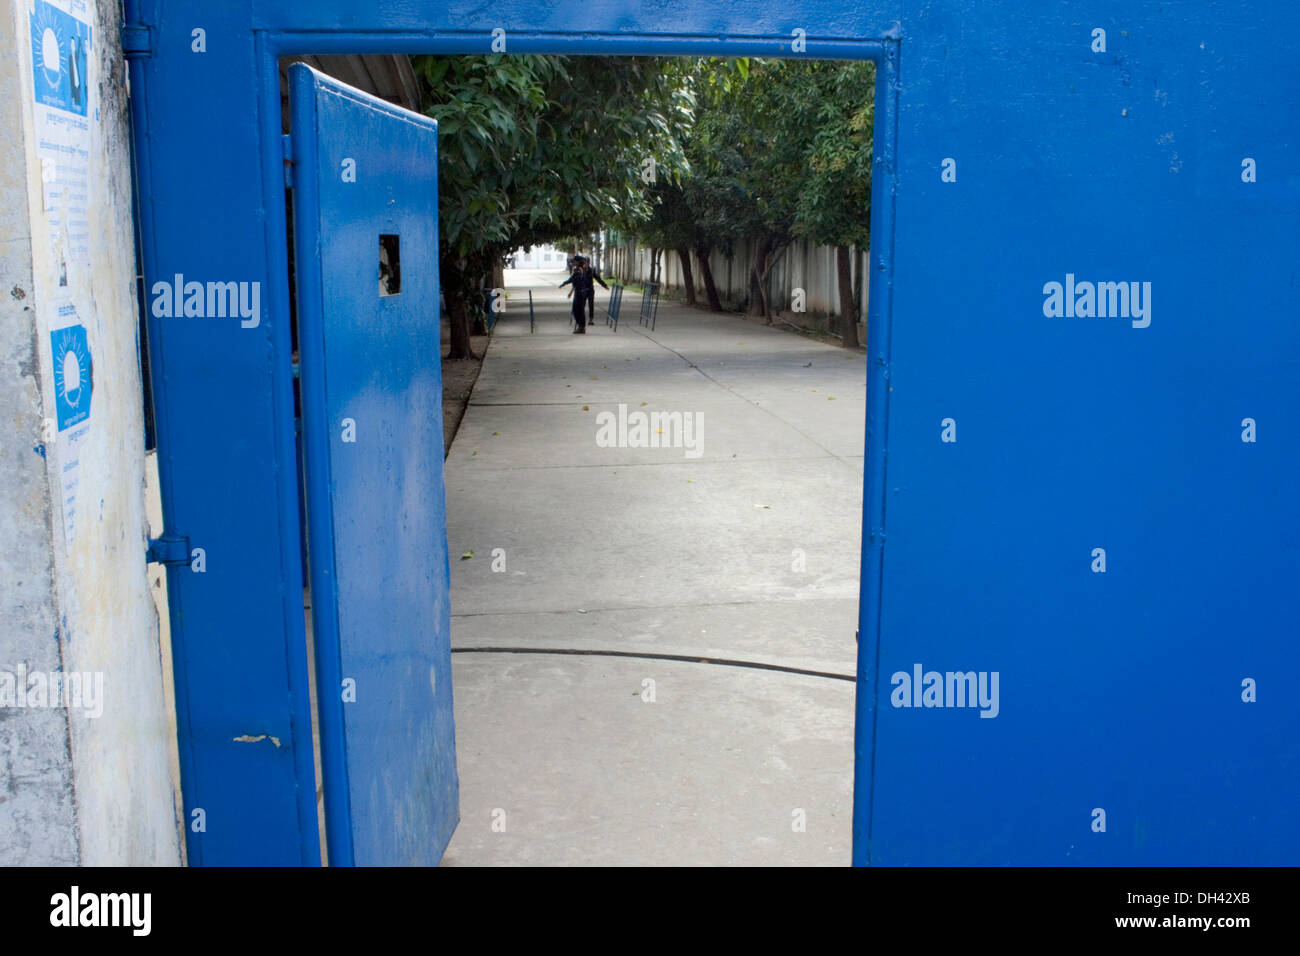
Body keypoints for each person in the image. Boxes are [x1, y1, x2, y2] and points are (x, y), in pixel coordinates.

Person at [558, 255, 608, 334]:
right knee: (578, 310)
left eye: (574, 261)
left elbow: (574, 279)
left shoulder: (582, 270)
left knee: (582, 309)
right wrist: (568, 288)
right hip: (580, 292)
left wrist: (604, 285)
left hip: (583, 292)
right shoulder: (577, 270)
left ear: (578, 262)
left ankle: (583, 325)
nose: (573, 262)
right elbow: (574, 281)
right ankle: (581, 326)